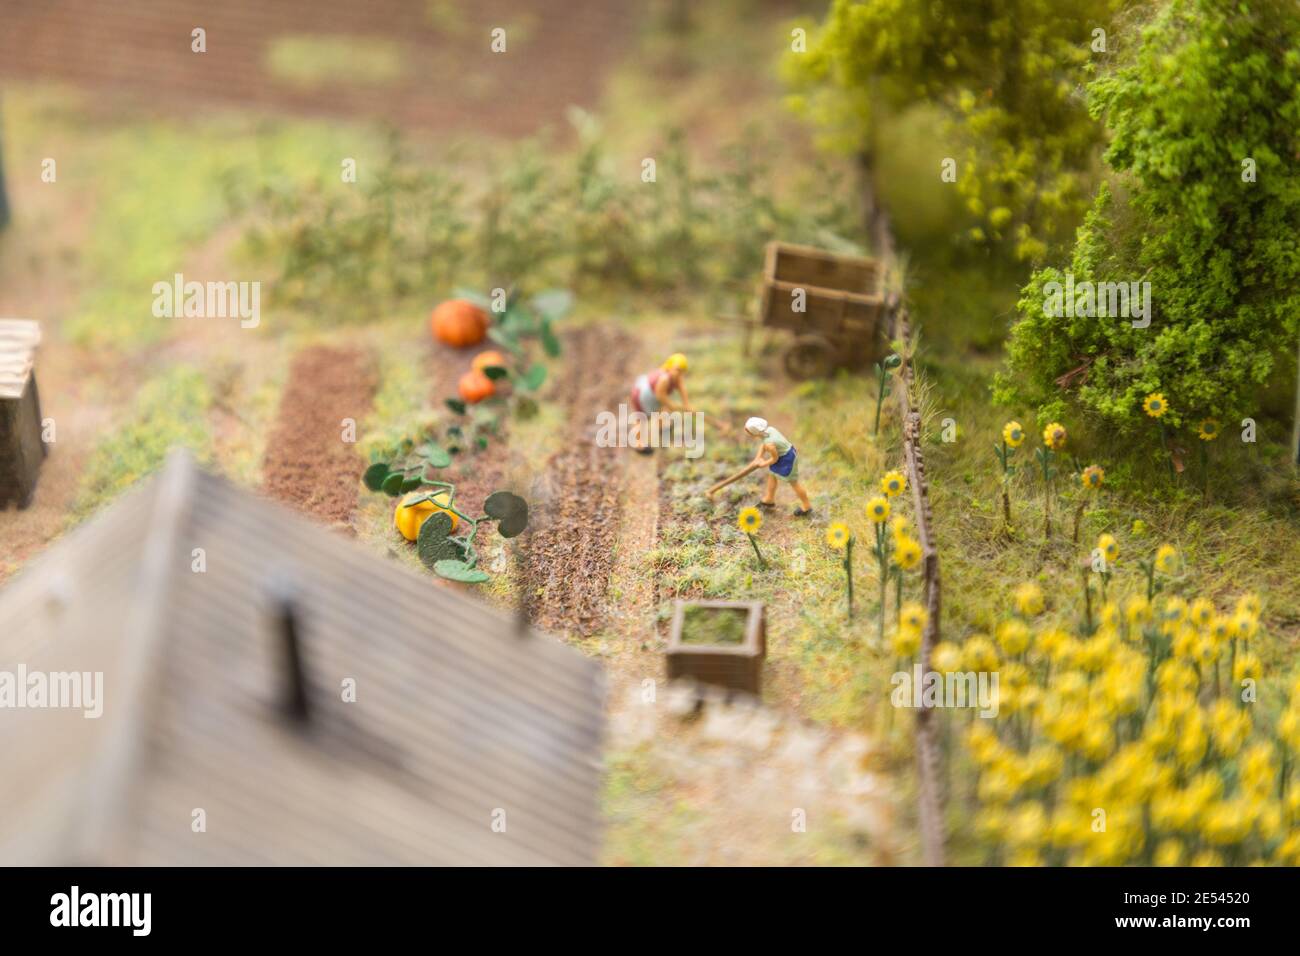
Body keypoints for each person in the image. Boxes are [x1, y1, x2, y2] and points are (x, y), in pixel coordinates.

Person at [707, 416, 812, 516]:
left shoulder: (769, 444)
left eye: (748, 430)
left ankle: (806, 506)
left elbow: (774, 458)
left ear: (753, 432)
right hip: (782, 455)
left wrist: (762, 464)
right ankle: (769, 499)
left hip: (787, 459)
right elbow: (763, 444)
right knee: (772, 475)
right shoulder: (769, 430)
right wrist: (758, 457)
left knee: (793, 482)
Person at [628, 353, 692, 454]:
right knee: (642, 418)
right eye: (677, 370)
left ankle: (663, 429)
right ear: (669, 367)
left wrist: (686, 404)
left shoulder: (677, 378)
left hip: (652, 397)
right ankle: (637, 443)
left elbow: (682, 388)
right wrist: (672, 406)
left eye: (681, 372)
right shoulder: (664, 379)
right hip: (643, 395)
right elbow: (661, 396)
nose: (678, 374)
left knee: (661, 412)